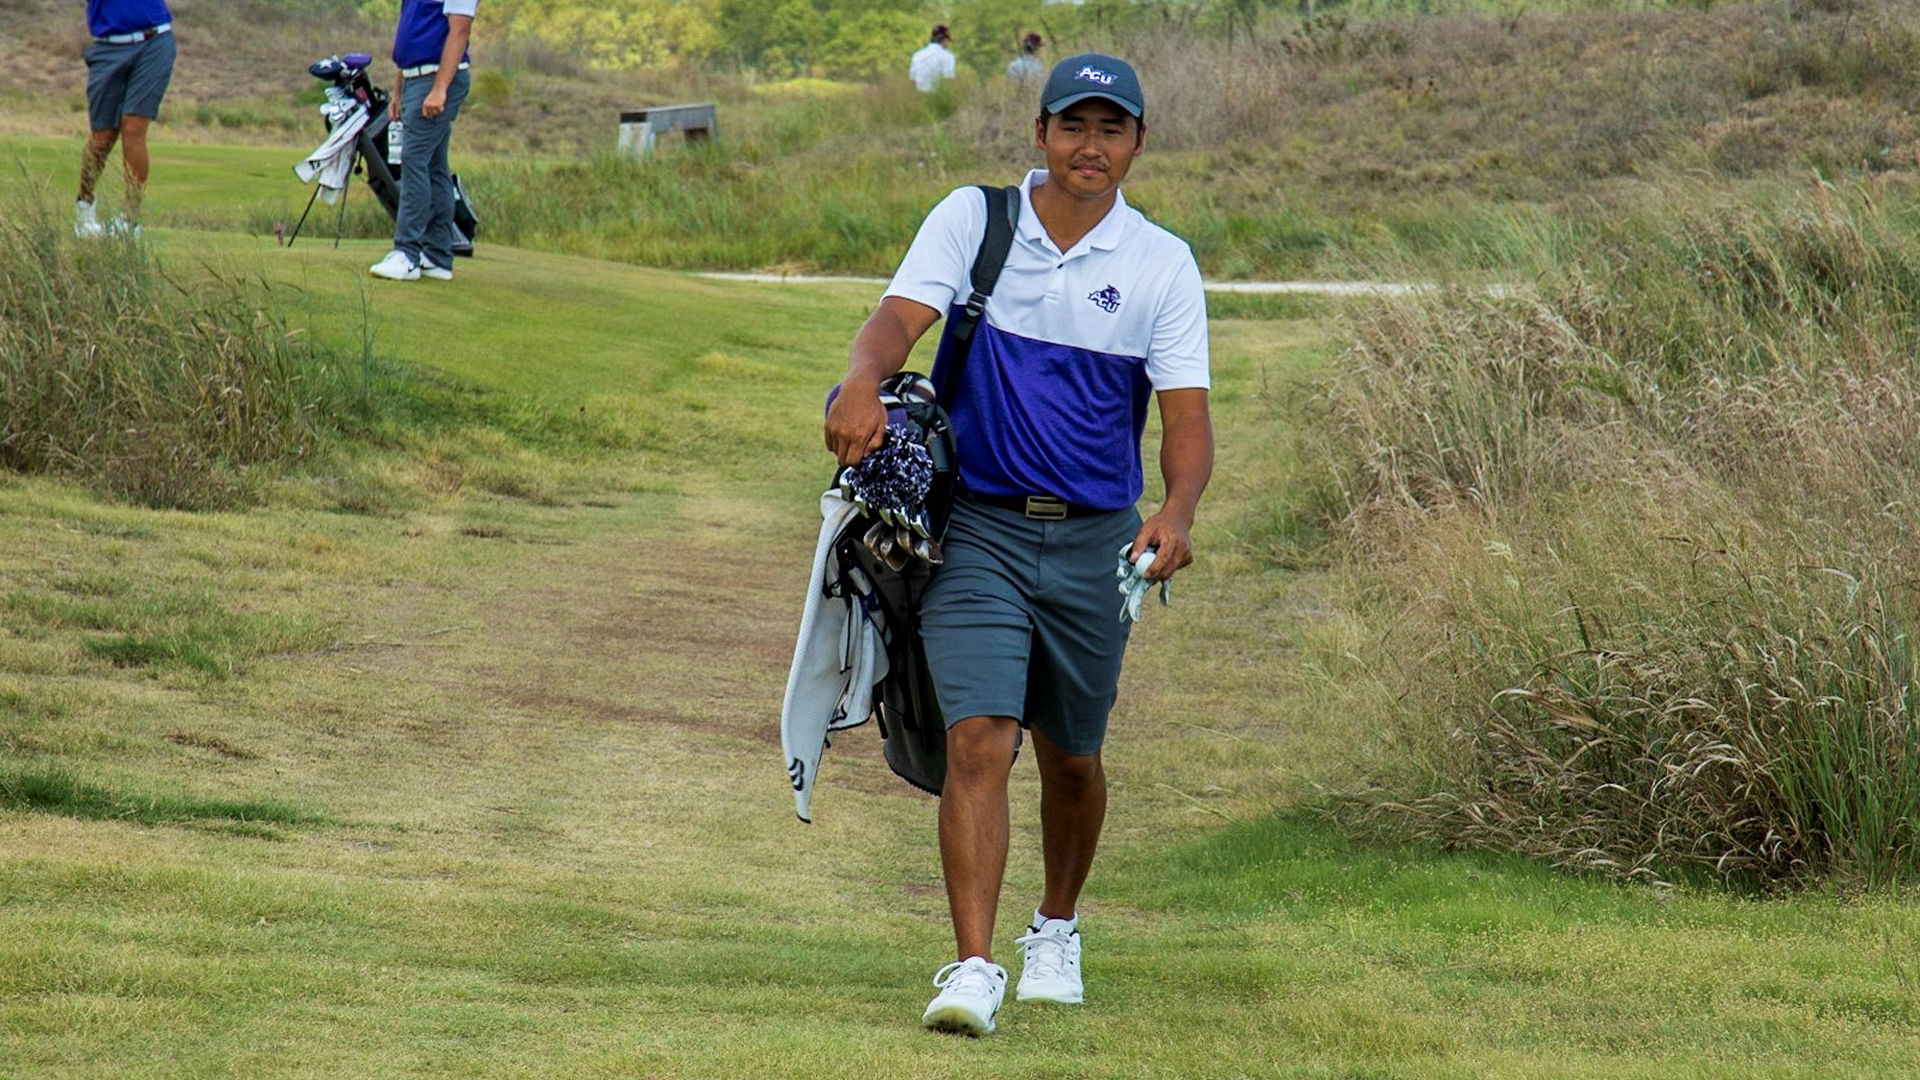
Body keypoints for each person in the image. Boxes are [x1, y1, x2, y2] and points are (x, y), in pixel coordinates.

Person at [823, 53, 1213, 1038]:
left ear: (1135, 144)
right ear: (1041, 133)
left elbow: (1186, 418)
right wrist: (863, 380)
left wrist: (1179, 511)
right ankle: (972, 966)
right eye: (1073, 127)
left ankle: (1056, 929)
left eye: (1111, 129)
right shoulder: (976, 221)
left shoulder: (1161, 262)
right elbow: (897, 321)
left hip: (1095, 546)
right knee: (979, 739)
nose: (1092, 147)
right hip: (982, 530)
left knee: (1071, 758)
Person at [369, 0, 477, 282]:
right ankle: (438, 256)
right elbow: (410, 36)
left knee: (414, 162)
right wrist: (399, 89)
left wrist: (440, 89)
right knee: (434, 166)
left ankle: (406, 254)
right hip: (415, 79)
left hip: (437, 80)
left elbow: (460, 32)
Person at [76, 0, 177, 238]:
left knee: (133, 128)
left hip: (154, 41)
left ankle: (130, 221)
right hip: (108, 46)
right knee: (102, 138)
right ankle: (84, 207)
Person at [909, 25, 957, 94]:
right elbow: (949, 82)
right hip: (939, 99)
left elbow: (912, 81)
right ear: (944, 40)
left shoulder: (917, 55)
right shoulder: (948, 57)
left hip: (919, 98)